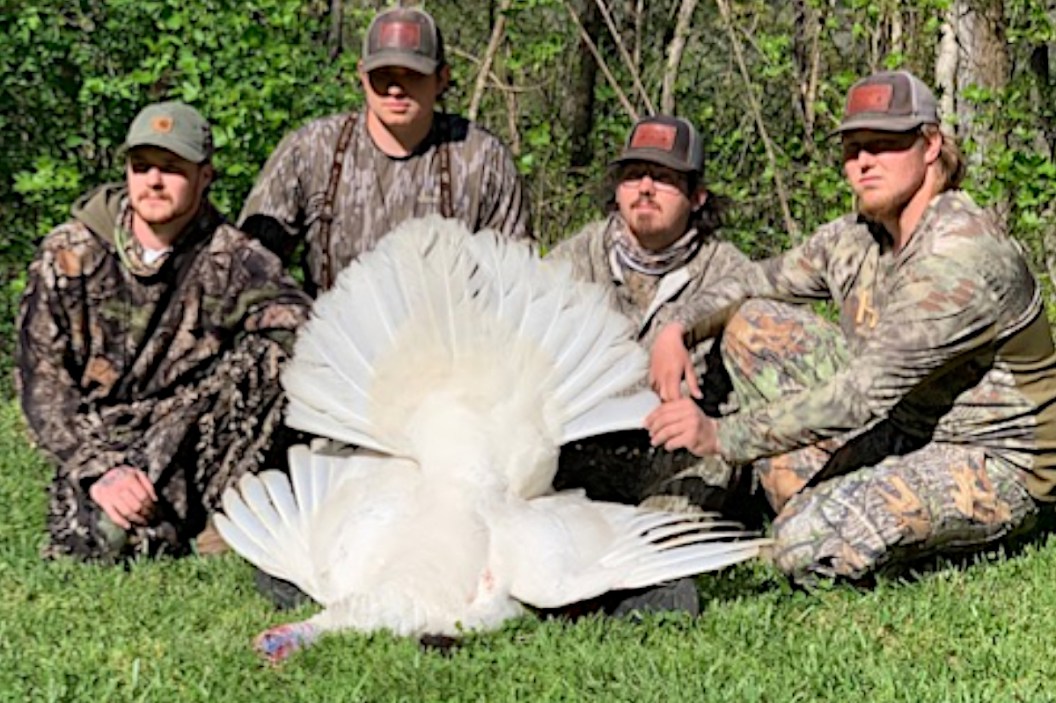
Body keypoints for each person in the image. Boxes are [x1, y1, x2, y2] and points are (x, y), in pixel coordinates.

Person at [644, 70, 1056, 585]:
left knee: (803, 544)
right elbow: (754, 282)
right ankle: (822, 501)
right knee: (754, 324)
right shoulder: (859, 236)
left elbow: (862, 395)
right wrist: (675, 328)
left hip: (995, 457)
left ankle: (867, 529)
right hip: (908, 425)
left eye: (883, 145)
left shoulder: (961, 257)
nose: (862, 162)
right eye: (852, 148)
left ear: (930, 146)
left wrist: (719, 435)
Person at [16, 101, 312, 561]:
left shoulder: (233, 259)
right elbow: (43, 381)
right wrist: (103, 469)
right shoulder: (72, 254)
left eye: (171, 169)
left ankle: (231, 504)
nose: (153, 181)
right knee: (99, 545)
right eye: (142, 167)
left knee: (282, 356)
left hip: (190, 434)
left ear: (205, 176)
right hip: (104, 438)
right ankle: (181, 518)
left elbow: (306, 329)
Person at [547, 115, 757, 616]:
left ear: (697, 195)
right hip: (581, 445)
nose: (645, 188)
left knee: (673, 520)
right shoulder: (572, 261)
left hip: (676, 448)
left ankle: (637, 581)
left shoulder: (728, 271)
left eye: (663, 177)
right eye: (633, 175)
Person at [238, 6, 532, 296]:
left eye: (412, 75)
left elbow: (515, 281)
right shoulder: (311, 151)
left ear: (441, 78)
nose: (395, 89)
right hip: (332, 337)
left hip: (449, 336)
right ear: (362, 75)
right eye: (382, 76)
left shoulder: (481, 159)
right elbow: (251, 269)